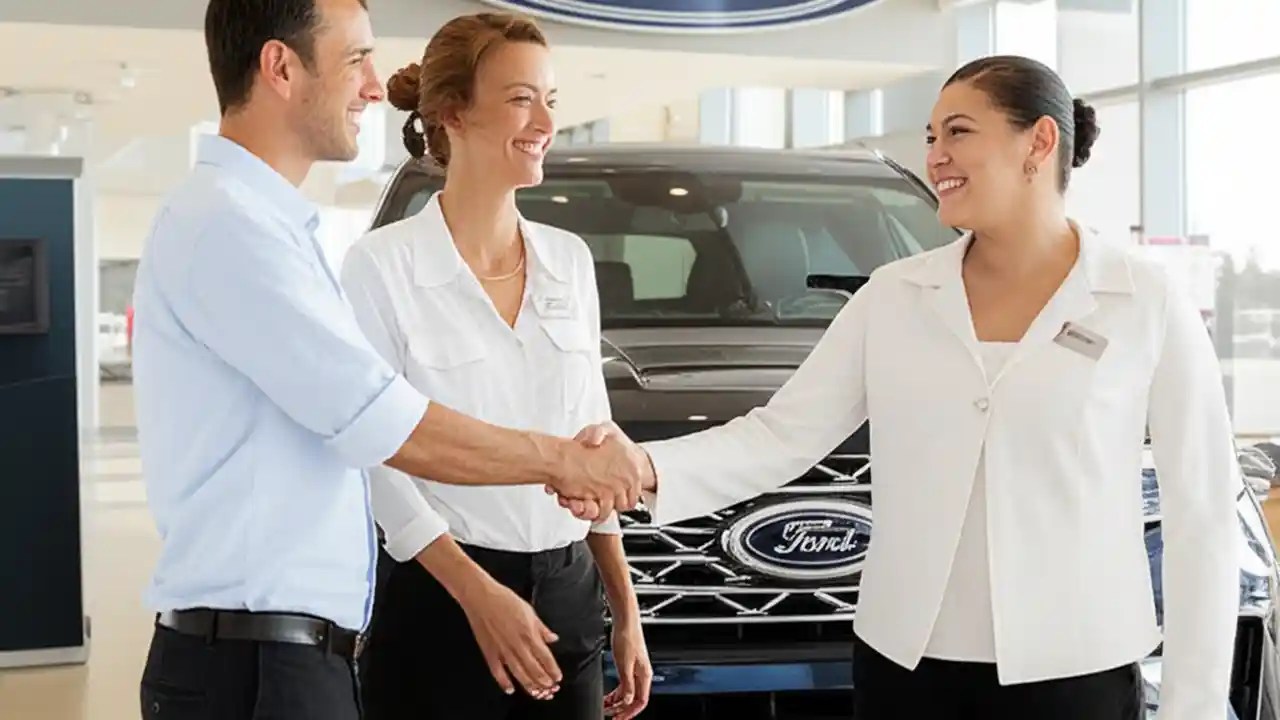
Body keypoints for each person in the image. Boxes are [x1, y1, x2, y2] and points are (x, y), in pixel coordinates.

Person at [564, 55, 1241, 720]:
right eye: (930, 137)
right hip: (907, 669)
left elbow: (1202, 512)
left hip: (1077, 669)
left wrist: (1196, 704)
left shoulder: (1143, 301)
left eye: (958, 132)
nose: (936, 155)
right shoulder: (895, 295)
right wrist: (648, 465)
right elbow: (782, 435)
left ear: (1039, 141)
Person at [130, 2, 645, 719]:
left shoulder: (270, 227)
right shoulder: (231, 228)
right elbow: (382, 428)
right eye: (355, 60)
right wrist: (563, 462)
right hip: (259, 666)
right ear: (280, 67)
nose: (376, 86)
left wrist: (618, 591)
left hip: (292, 656)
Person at [339, 13, 651, 720]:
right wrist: (478, 595)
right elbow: (377, 460)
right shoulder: (382, 266)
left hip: (569, 592)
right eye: (521, 98)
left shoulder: (569, 261)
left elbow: (591, 439)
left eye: (551, 100)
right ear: (451, 113)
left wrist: (625, 611)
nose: (545, 120)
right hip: (441, 598)